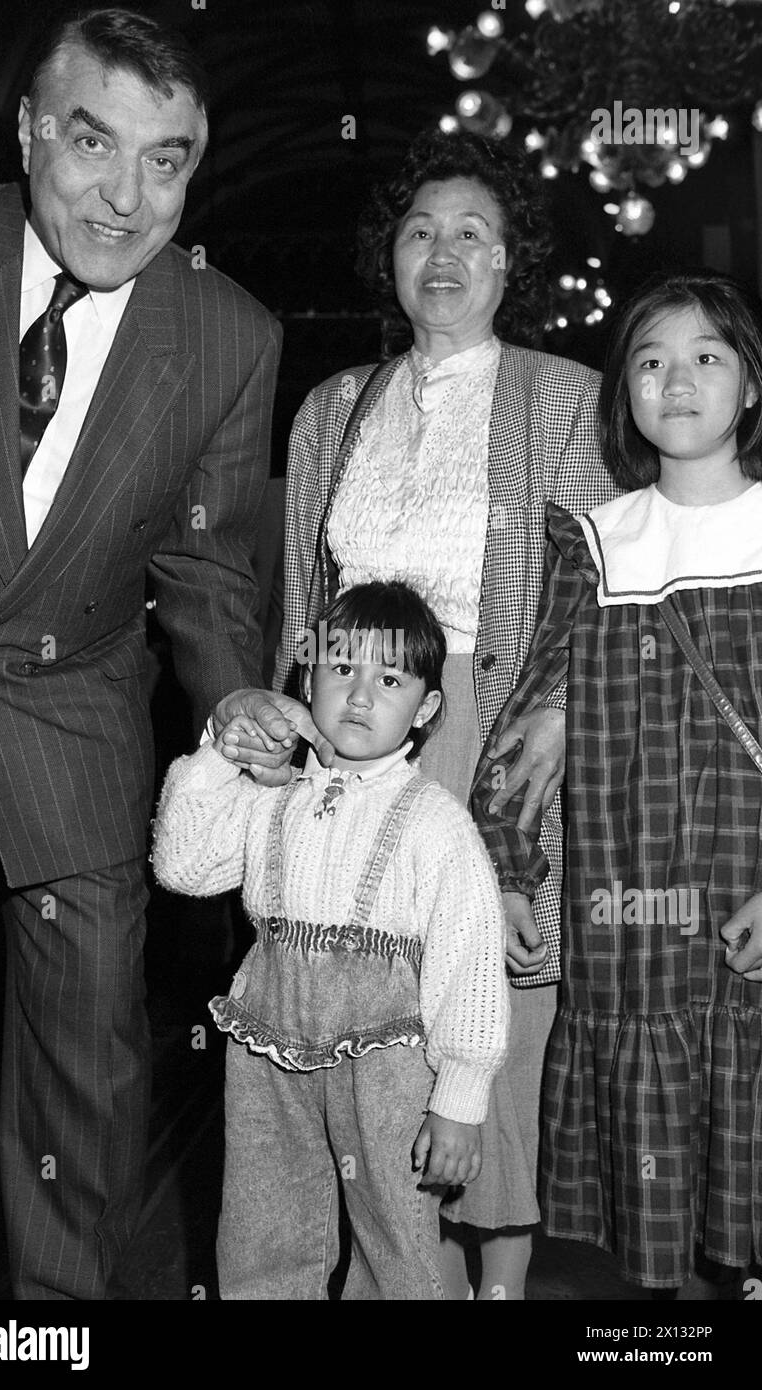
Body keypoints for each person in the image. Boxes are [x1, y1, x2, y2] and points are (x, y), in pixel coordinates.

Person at [215, 127, 618, 1299]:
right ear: (386, 255)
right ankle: (400, 1272)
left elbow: (606, 597)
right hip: (356, 746)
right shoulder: (333, 407)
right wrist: (283, 760)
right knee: (361, 1022)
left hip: (499, 748)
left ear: (508, 264)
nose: (442, 254)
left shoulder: (563, 398)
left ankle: (495, 1284)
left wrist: (558, 729)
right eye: (418, 230)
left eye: (472, 234)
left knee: (487, 1011)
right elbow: (301, 606)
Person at [0, 7, 282, 1299]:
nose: (126, 195)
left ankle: (61, 1322)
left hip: (76, 703)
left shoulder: (228, 336)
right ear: (30, 126)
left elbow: (205, 561)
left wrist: (234, 684)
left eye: (168, 159)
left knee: (85, 1063)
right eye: (93, 142)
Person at [472, 270, 762, 1294]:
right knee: (663, 1233)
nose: (674, 381)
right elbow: (523, 724)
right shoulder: (594, 543)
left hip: (747, 903)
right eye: (648, 361)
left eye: (704, 358)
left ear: (749, 384)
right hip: (633, 930)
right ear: (621, 393)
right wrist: (506, 868)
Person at [153, 580, 509, 1299]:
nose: (360, 695)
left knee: (394, 1238)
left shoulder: (434, 824)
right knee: (261, 1224)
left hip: (385, 1068)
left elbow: (468, 963)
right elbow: (182, 866)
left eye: (390, 678)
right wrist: (224, 754)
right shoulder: (269, 796)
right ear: (305, 677)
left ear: (427, 707)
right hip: (266, 1052)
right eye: (341, 668)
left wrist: (459, 1098)